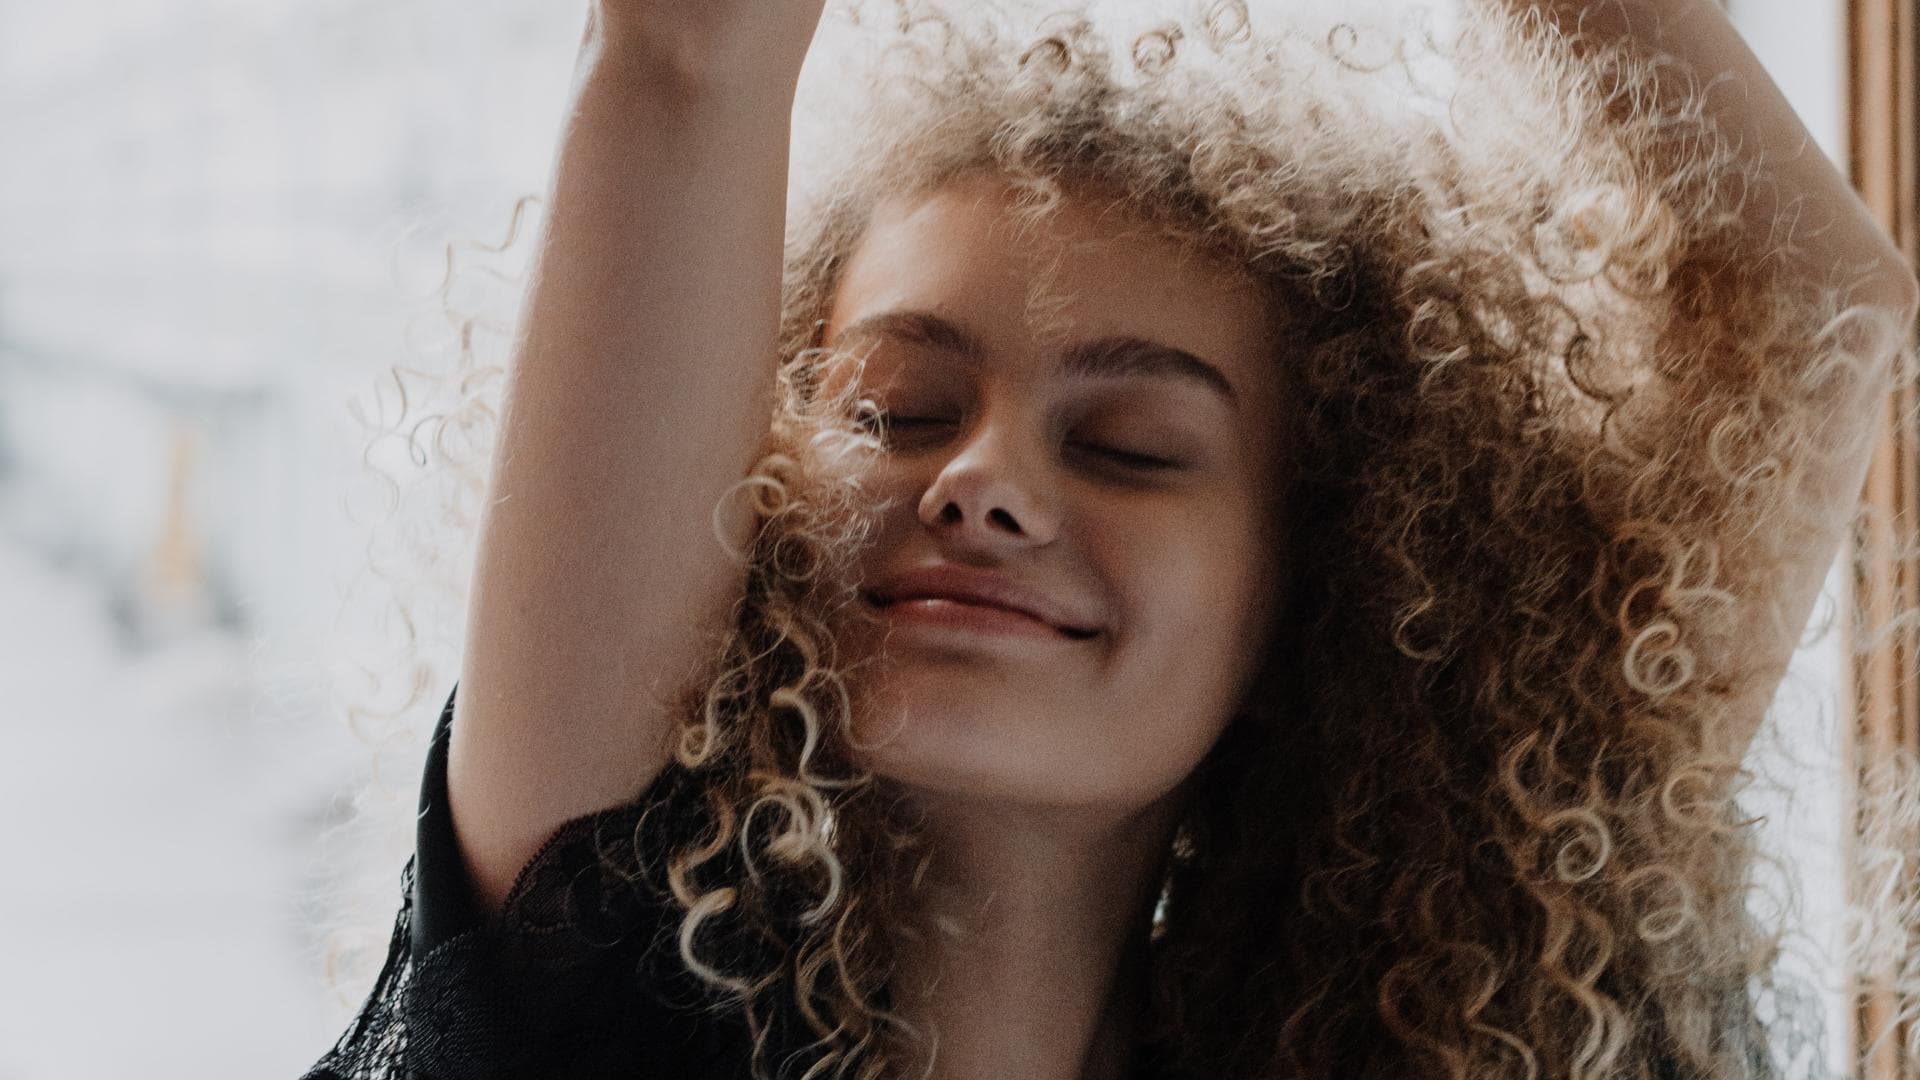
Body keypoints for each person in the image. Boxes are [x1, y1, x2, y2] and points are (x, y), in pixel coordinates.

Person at [303, 1, 1920, 1078]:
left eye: (1131, 447)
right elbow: (688, 53)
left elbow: (1814, 311)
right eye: (896, 410)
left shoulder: (1396, 1044)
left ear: (1326, 593)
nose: (984, 483)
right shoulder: (590, 991)